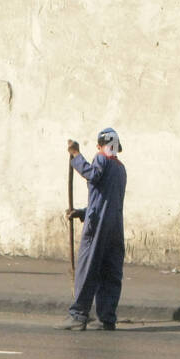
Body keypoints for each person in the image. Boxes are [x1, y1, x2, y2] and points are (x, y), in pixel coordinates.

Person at [62, 128, 126, 331]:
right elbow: (106, 200)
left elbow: (92, 175)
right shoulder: (121, 169)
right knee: (110, 273)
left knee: (87, 269)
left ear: (100, 146)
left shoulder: (101, 159)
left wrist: (76, 156)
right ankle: (107, 318)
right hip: (115, 227)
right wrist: (81, 212)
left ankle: (78, 315)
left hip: (97, 225)